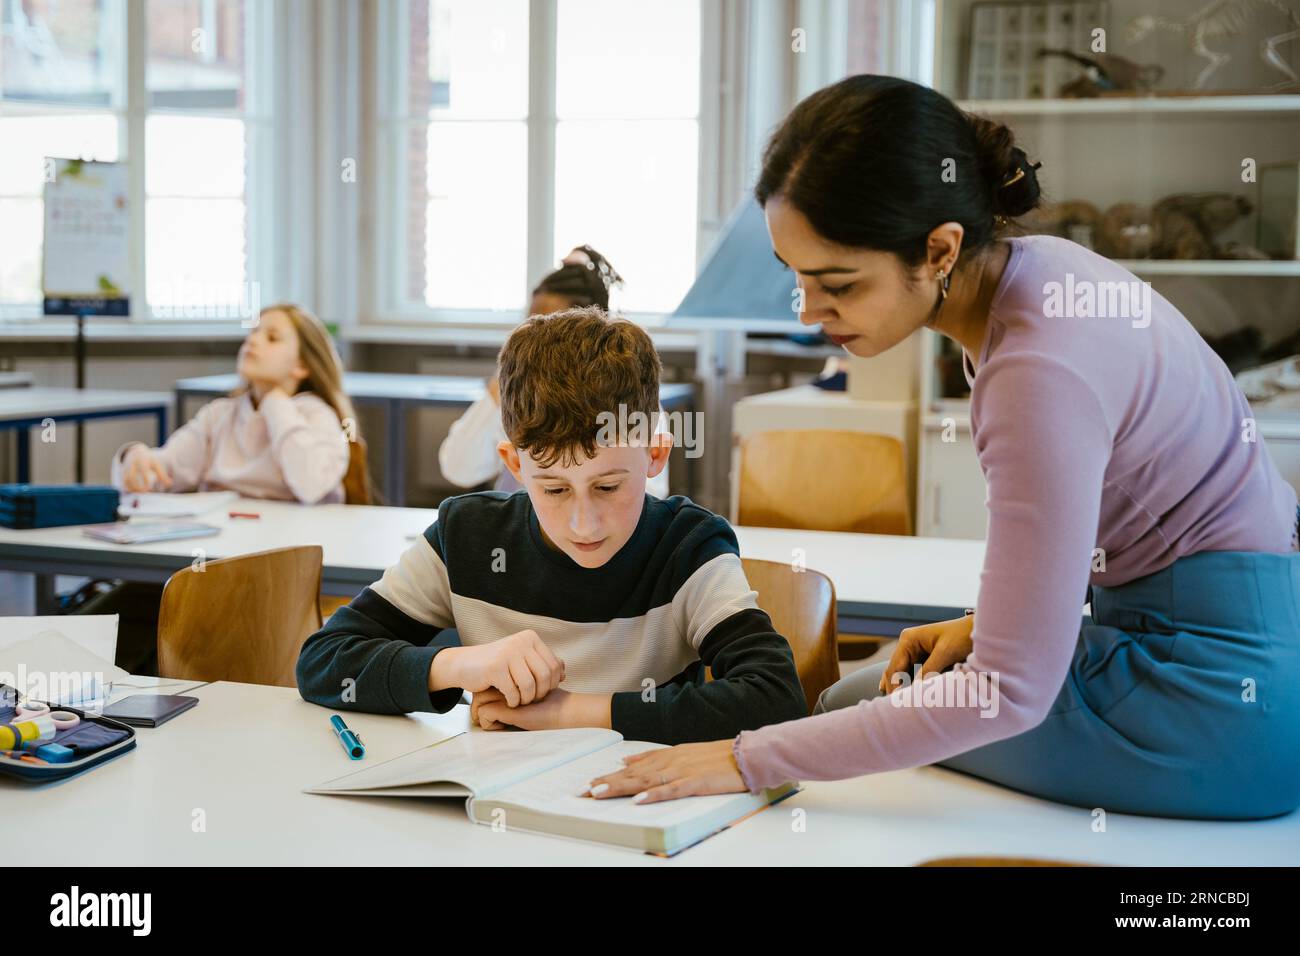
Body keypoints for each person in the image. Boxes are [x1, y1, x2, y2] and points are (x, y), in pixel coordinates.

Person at [583, 75, 1300, 819]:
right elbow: (1157, 510)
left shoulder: (1037, 369)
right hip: (1235, 647)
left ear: (939, 248)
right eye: (795, 277)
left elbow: (1007, 692)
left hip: (1218, 706)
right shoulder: (1041, 277)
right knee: (862, 697)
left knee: (833, 716)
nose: (810, 311)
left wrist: (745, 759)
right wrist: (990, 624)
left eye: (839, 283)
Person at [296, 306, 806, 745]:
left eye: (608, 487)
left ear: (655, 454)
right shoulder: (466, 536)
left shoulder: (690, 547)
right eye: (554, 489)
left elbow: (775, 699)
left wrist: (568, 712)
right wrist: (458, 665)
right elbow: (322, 661)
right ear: (514, 466)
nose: (583, 523)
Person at [438, 245, 670, 497]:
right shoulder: (521, 392)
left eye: (553, 324)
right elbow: (458, 469)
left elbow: (647, 495)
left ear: (593, 329)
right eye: (531, 323)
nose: (538, 337)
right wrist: (499, 391)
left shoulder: (632, 399)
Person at [112, 303, 354, 504]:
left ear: (302, 366)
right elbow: (163, 475)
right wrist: (135, 457)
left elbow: (310, 483)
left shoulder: (318, 416)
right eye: (253, 332)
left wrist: (275, 402)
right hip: (227, 549)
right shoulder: (218, 416)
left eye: (271, 338)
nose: (253, 341)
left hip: (292, 552)